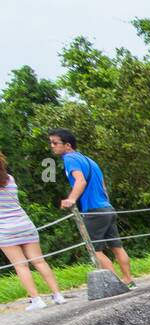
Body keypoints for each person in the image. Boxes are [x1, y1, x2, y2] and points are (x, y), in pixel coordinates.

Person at [47, 128, 135, 287]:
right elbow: (103, 186)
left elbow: (80, 181)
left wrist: (70, 199)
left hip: (94, 210)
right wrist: (106, 205)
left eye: (55, 143)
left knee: (95, 250)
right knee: (117, 247)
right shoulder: (90, 160)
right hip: (107, 208)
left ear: (67, 145)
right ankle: (128, 280)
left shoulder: (70, 159)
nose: (52, 146)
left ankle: (115, 285)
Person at [0, 151, 66, 310]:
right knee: (39, 261)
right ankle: (58, 295)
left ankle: (37, 300)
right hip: (25, 223)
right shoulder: (10, 179)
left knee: (21, 266)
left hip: (5, 229)